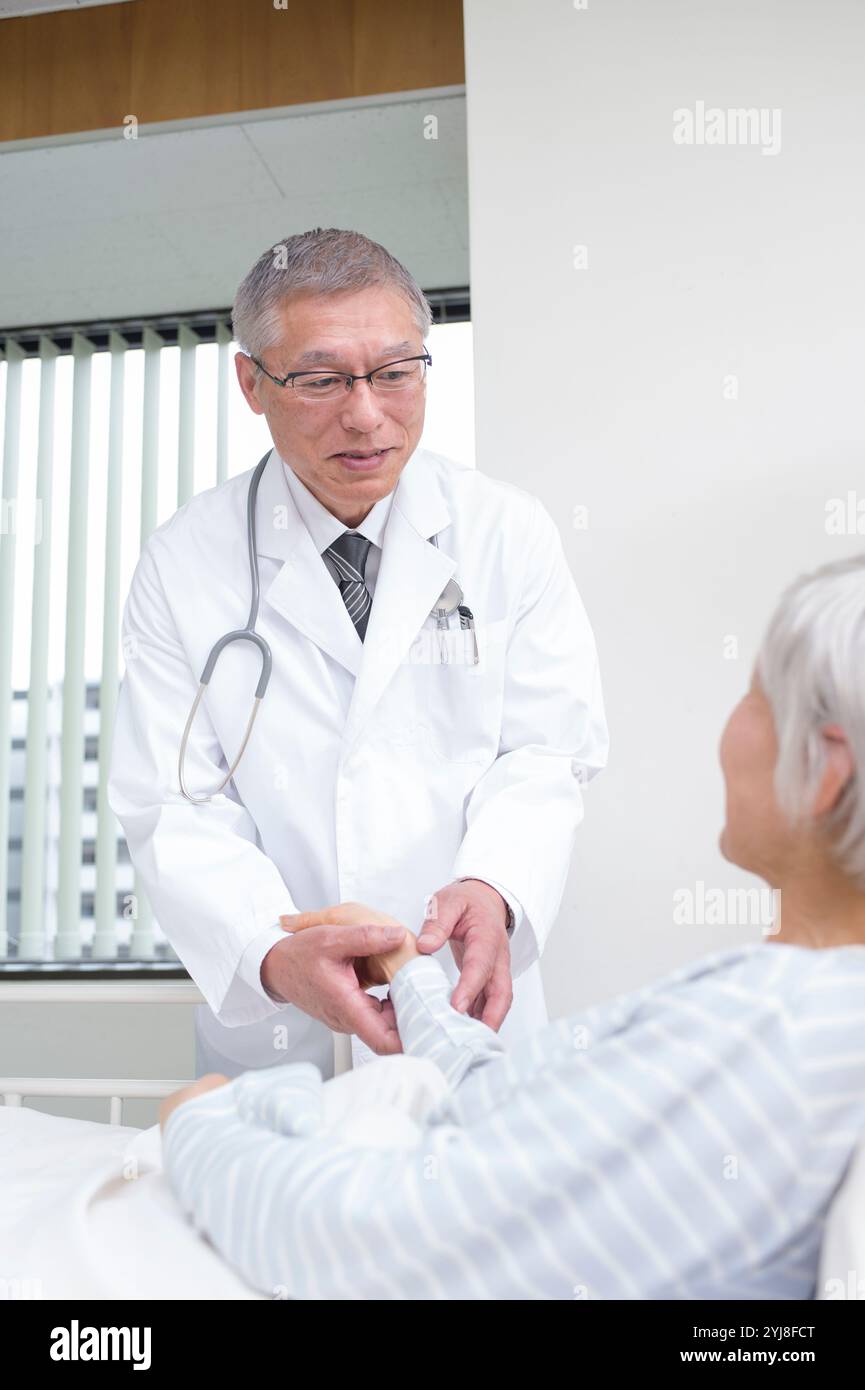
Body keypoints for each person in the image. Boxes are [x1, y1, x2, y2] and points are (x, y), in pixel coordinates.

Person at [160, 555, 865, 1299]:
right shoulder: (802, 1007)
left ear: (824, 770)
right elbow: (514, 1104)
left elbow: (379, 1250)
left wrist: (201, 1124)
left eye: (753, 697)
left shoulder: (775, 1026)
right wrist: (405, 968)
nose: (730, 726)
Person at [107, 226, 608, 1079]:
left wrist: (495, 885)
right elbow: (173, 804)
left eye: (393, 371)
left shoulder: (504, 533)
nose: (366, 413)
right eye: (321, 378)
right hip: (281, 1030)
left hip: (463, 996)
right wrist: (270, 952)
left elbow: (547, 752)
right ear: (251, 384)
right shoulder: (185, 561)